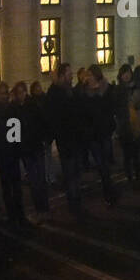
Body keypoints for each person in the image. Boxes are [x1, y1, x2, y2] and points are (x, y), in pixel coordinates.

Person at [44, 62, 90, 213]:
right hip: (66, 140)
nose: (71, 76)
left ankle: (77, 201)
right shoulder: (56, 93)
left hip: (75, 138)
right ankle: (74, 204)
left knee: (76, 173)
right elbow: (55, 118)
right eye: (69, 74)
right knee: (70, 173)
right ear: (62, 75)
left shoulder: (70, 91)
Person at [0, 83, 26, 225]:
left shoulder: (11, 111)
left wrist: (17, 148)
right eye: (1, 93)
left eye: (5, 93)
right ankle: (12, 215)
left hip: (12, 154)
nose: (3, 96)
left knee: (16, 186)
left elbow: (16, 132)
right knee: (7, 187)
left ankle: (20, 215)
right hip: (2, 155)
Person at [9, 81, 50, 219]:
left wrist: (44, 139)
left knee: (41, 180)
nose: (21, 95)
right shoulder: (14, 109)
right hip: (26, 150)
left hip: (36, 146)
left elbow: (42, 123)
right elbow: (13, 132)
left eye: (23, 92)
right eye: (18, 92)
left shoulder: (32, 106)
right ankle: (39, 210)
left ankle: (45, 209)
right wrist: (16, 149)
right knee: (33, 182)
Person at [82, 64, 120, 205]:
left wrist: (110, 125)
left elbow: (111, 109)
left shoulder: (106, 90)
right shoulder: (85, 92)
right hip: (93, 134)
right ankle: (109, 191)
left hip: (104, 132)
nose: (87, 78)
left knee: (104, 163)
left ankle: (109, 192)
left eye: (89, 75)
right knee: (101, 164)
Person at [114, 64, 140, 183]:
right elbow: (116, 107)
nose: (126, 75)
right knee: (127, 154)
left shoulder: (136, 88)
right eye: (124, 73)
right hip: (124, 124)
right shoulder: (118, 89)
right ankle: (129, 176)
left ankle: (138, 176)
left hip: (135, 123)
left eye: (128, 73)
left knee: (136, 153)